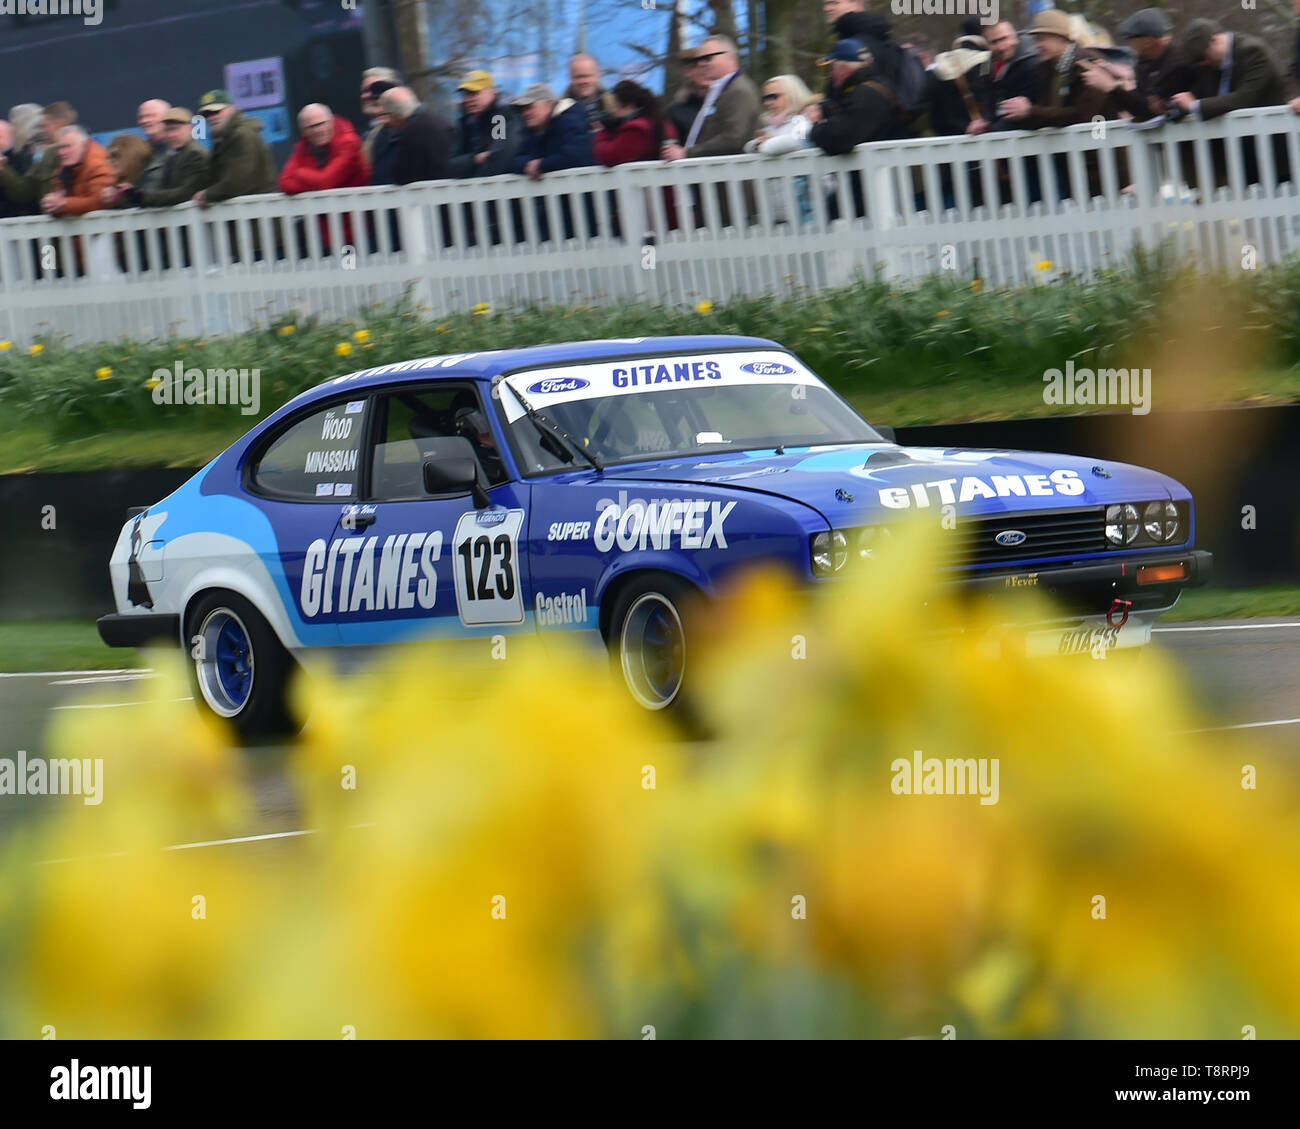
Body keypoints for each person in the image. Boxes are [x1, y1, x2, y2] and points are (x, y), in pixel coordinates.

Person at [998, 10, 1108, 131]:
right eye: (1036, 39)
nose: (1037, 45)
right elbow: (1047, 115)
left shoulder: (1088, 63)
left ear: (1061, 38)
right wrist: (1022, 113)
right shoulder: (1044, 68)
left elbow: (1083, 114)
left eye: (1042, 39)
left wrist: (1030, 110)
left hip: (1101, 145)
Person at [661, 36, 760, 160]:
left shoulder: (738, 90)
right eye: (700, 60)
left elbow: (734, 138)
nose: (701, 64)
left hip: (731, 175)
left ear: (729, 57)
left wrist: (687, 153)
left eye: (708, 58)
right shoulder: (721, 89)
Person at [1167, 19, 1284, 122]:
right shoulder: (1210, 65)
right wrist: (1176, 107)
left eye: (1202, 57)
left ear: (1215, 40)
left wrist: (1193, 106)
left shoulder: (1253, 52)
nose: (1203, 63)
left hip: (1271, 135)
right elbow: (1200, 96)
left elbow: (1243, 99)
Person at [1080, 8, 1185, 123]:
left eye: (1132, 39)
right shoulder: (1144, 64)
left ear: (1147, 42)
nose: (1131, 44)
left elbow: (1149, 111)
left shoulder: (1179, 63)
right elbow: (1138, 103)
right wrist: (1112, 79)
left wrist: (1111, 87)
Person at [744, 75, 817, 226]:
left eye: (774, 97)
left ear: (791, 94)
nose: (768, 103)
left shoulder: (802, 121)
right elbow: (750, 147)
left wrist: (765, 144)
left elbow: (794, 141)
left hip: (805, 206)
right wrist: (760, 144)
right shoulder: (770, 127)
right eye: (765, 98)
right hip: (777, 209)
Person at [193, 89, 276, 207]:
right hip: (248, 216)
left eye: (216, 111)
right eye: (207, 114)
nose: (211, 117)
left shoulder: (242, 135)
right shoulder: (223, 139)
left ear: (232, 109)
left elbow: (238, 182)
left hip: (261, 216)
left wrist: (207, 195)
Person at [123, 107, 210, 207]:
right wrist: (131, 194)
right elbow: (164, 189)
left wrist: (140, 196)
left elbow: (185, 194)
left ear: (190, 128)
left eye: (175, 129)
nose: (171, 135)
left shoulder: (195, 154)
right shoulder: (172, 155)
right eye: (167, 130)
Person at [0, 101, 78, 210]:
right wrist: (3, 170)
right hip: (48, 223)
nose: (42, 131)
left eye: (45, 126)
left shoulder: (83, 150)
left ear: (59, 124)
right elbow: (25, 191)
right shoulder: (48, 155)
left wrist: (65, 203)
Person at [279, 104, 369, 194]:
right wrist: (316, 182)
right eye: (311, 127)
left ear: (331, 122)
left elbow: (325, 183)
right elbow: (285, 183)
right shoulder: (302, 146)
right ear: (303, 132)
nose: (318, 130)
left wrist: (299, 173)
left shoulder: (349, 142)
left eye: (321, 124)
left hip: (358, 205)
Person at [448, 70, 523, 178]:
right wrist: (475, 159)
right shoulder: (465, 123)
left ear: (492, 93)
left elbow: (496, 158)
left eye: (475, 93)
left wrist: (468, 167)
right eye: (466, 94)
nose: (469, 99)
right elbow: (451, 166)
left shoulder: (500, 118)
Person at [379, 86, 454, 184]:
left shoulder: (411, 133)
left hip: (430, 194)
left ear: (395, 115)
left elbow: (403, 176)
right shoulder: (440, 121)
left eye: (386, 114)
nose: (386, 121)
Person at [359, 69, 402, 178]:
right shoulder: (368, 135)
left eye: (372, 90)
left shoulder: (406, 128)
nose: (364, 96)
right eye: (363, 91)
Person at [666, 47, 709, 143]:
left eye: (706, 65)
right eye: (697, 66)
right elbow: (671, 145)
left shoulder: (727, 98)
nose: (704, 71)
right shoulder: (676, 110)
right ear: (687, 72)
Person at [564, 53, 613, 125]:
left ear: (598, 76)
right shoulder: (558, 114)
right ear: (570, 78)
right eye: (578, 77)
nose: (584, 81)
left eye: (588, 76)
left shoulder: (615, 111)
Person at [134, 99, 171, 194]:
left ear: (166, 117)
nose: (144, 121)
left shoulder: (179, 149)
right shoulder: (138, 151)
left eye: (151, 116)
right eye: (141, 117)